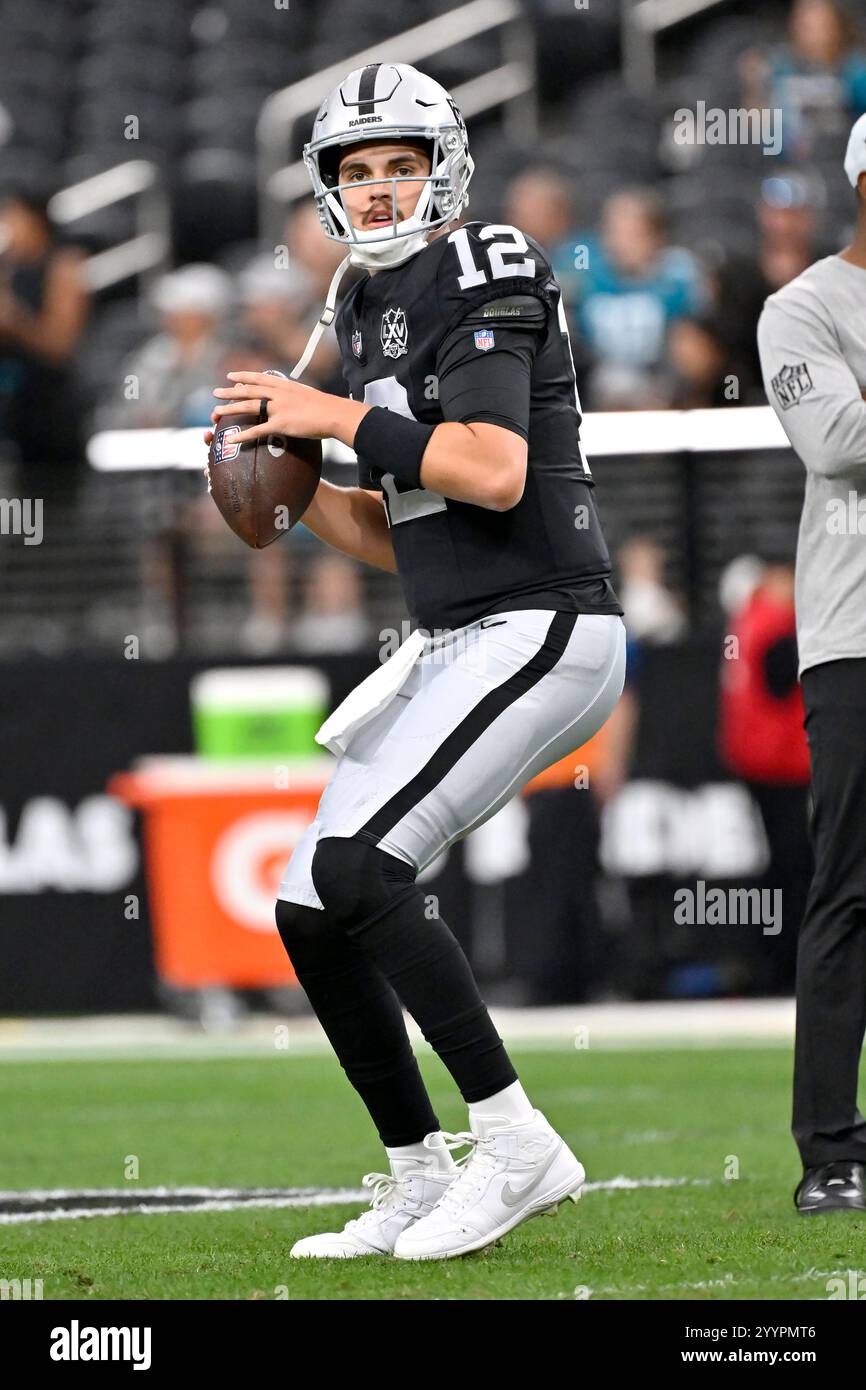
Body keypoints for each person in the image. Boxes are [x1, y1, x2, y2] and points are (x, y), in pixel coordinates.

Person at [206, 62, 626, 1261]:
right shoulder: (356, 301)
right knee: (307, 903)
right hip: (457, 628)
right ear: (328, 189)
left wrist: (328, 418)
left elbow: (491, 470)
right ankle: (411, 1169)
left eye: (399, 165)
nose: (380, 191)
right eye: (357, 171)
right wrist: (288, 494)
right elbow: (401, 526)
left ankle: (517, 1144)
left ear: (441, 167)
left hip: (545, 619)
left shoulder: (483, 261)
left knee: (358, 863)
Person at [756, 110, 866, 1214]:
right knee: (848, 892)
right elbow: (835, 441)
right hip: (855, 637)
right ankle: (829, 1149)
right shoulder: (799, 309)